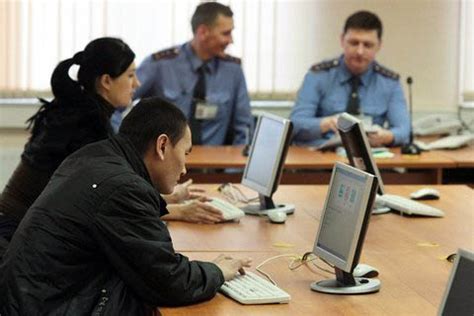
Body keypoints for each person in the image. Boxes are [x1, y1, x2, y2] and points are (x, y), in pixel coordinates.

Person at [0, 98, 251, 314]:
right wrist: (217, 271)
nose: (185, 168)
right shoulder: (125, 189)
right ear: (162, 146)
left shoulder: (94, 156)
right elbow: (170, 281)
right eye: (185, 153)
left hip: (31, 299)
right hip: (51, 306)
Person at [0, 37, 140, 248]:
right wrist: (175, 210)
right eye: (130, 75)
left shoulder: (75, 111)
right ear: (106, 81)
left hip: (18, 224)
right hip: (19, 234)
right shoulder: (88, 126)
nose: (136, 83)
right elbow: (109, 202)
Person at [132, 2, 253, 146]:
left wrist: (235, 168)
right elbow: (116, 101)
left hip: (214, 165)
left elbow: (244, 128)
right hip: (164, 164)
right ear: (203, 32)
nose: (231, 40)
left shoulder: (233, 71)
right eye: (225, 33)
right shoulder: (160, 65)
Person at [290, 10, 410, 147]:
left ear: (379, 46)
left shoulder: (389, 82)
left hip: (369, 161)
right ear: (342, 40)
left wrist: (386, 136)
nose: (360, 51)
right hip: (321, 158)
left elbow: (404, 131)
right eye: (354, 43)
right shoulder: (319, 75)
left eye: (367, 45)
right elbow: (295, 124)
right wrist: (326, 124)